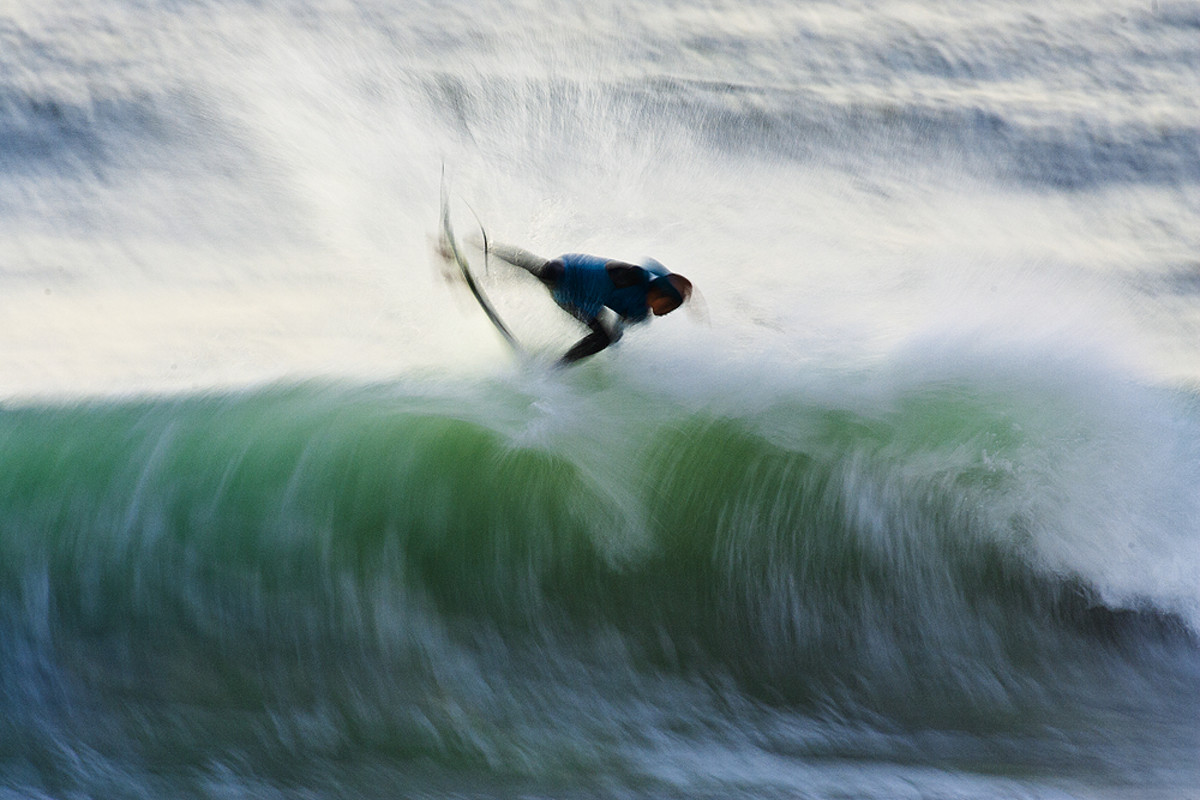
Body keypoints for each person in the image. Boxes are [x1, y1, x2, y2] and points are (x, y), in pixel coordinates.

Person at [488, 242, 693, 365]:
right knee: (546, 272)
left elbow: (615, 328)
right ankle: (490, 250)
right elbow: (638, 265)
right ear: (660, 292)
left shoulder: (639, 314)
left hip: (572, 301)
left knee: (603, 338)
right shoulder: (635, 276)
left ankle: (555, 367)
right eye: (670, 305)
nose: (668, 311)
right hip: (568, 273)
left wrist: (614, 333)